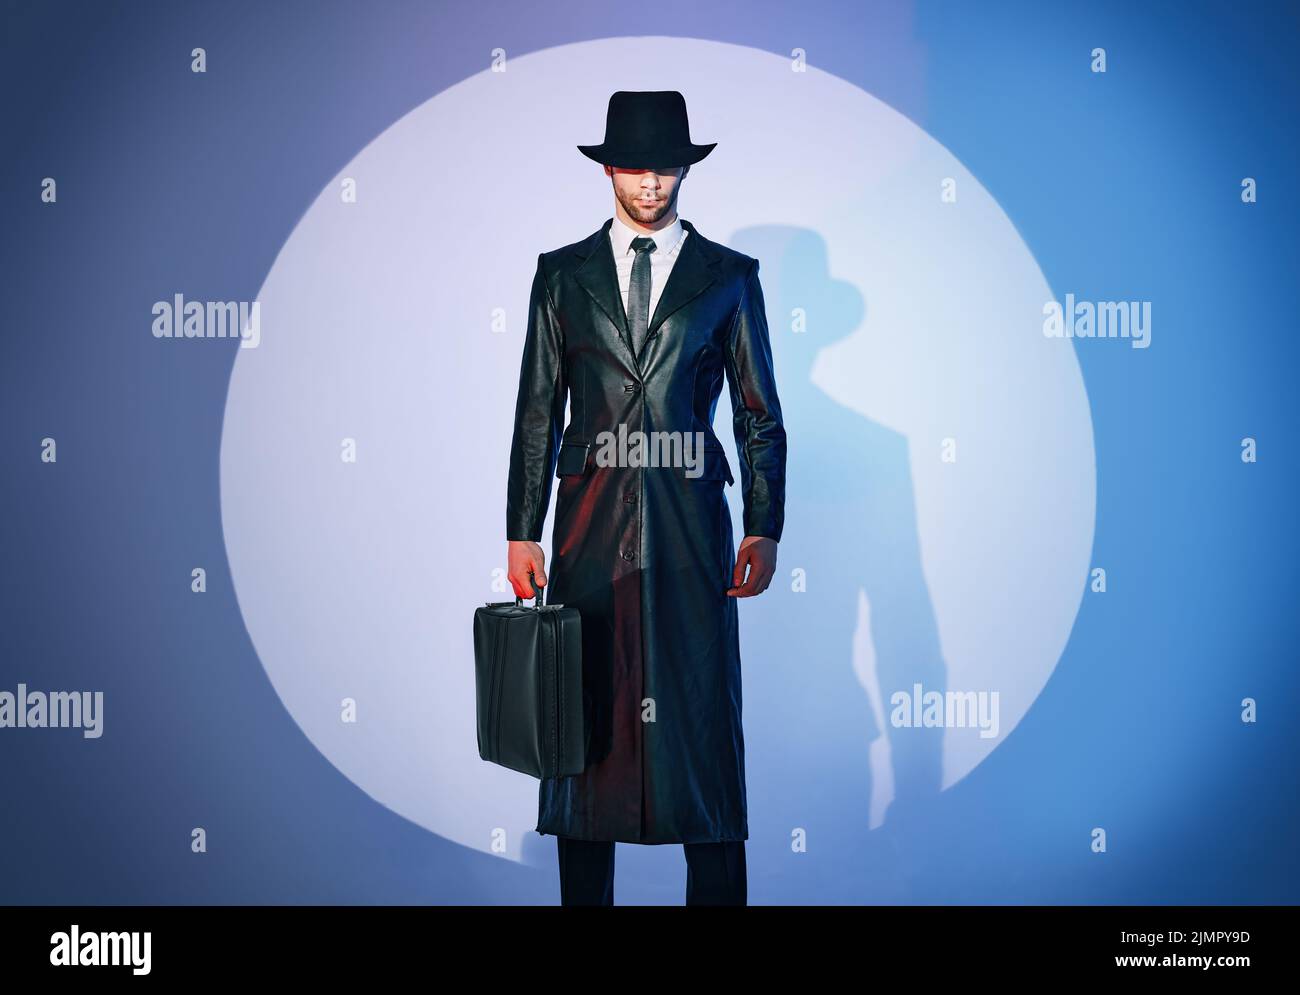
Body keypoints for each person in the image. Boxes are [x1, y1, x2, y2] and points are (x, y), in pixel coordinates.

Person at [505, 90, 786, 905]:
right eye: (635, 166)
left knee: (699, 730)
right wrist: (522, 529)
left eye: (665, 167)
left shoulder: (729, 278)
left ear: (684, 169)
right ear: (609, 169)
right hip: (587, 535)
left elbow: (759, 414)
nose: (651, 183)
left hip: (692, 531)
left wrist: (765, 524)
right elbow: (536, 411)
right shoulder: (561, 276)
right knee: (583, 729)